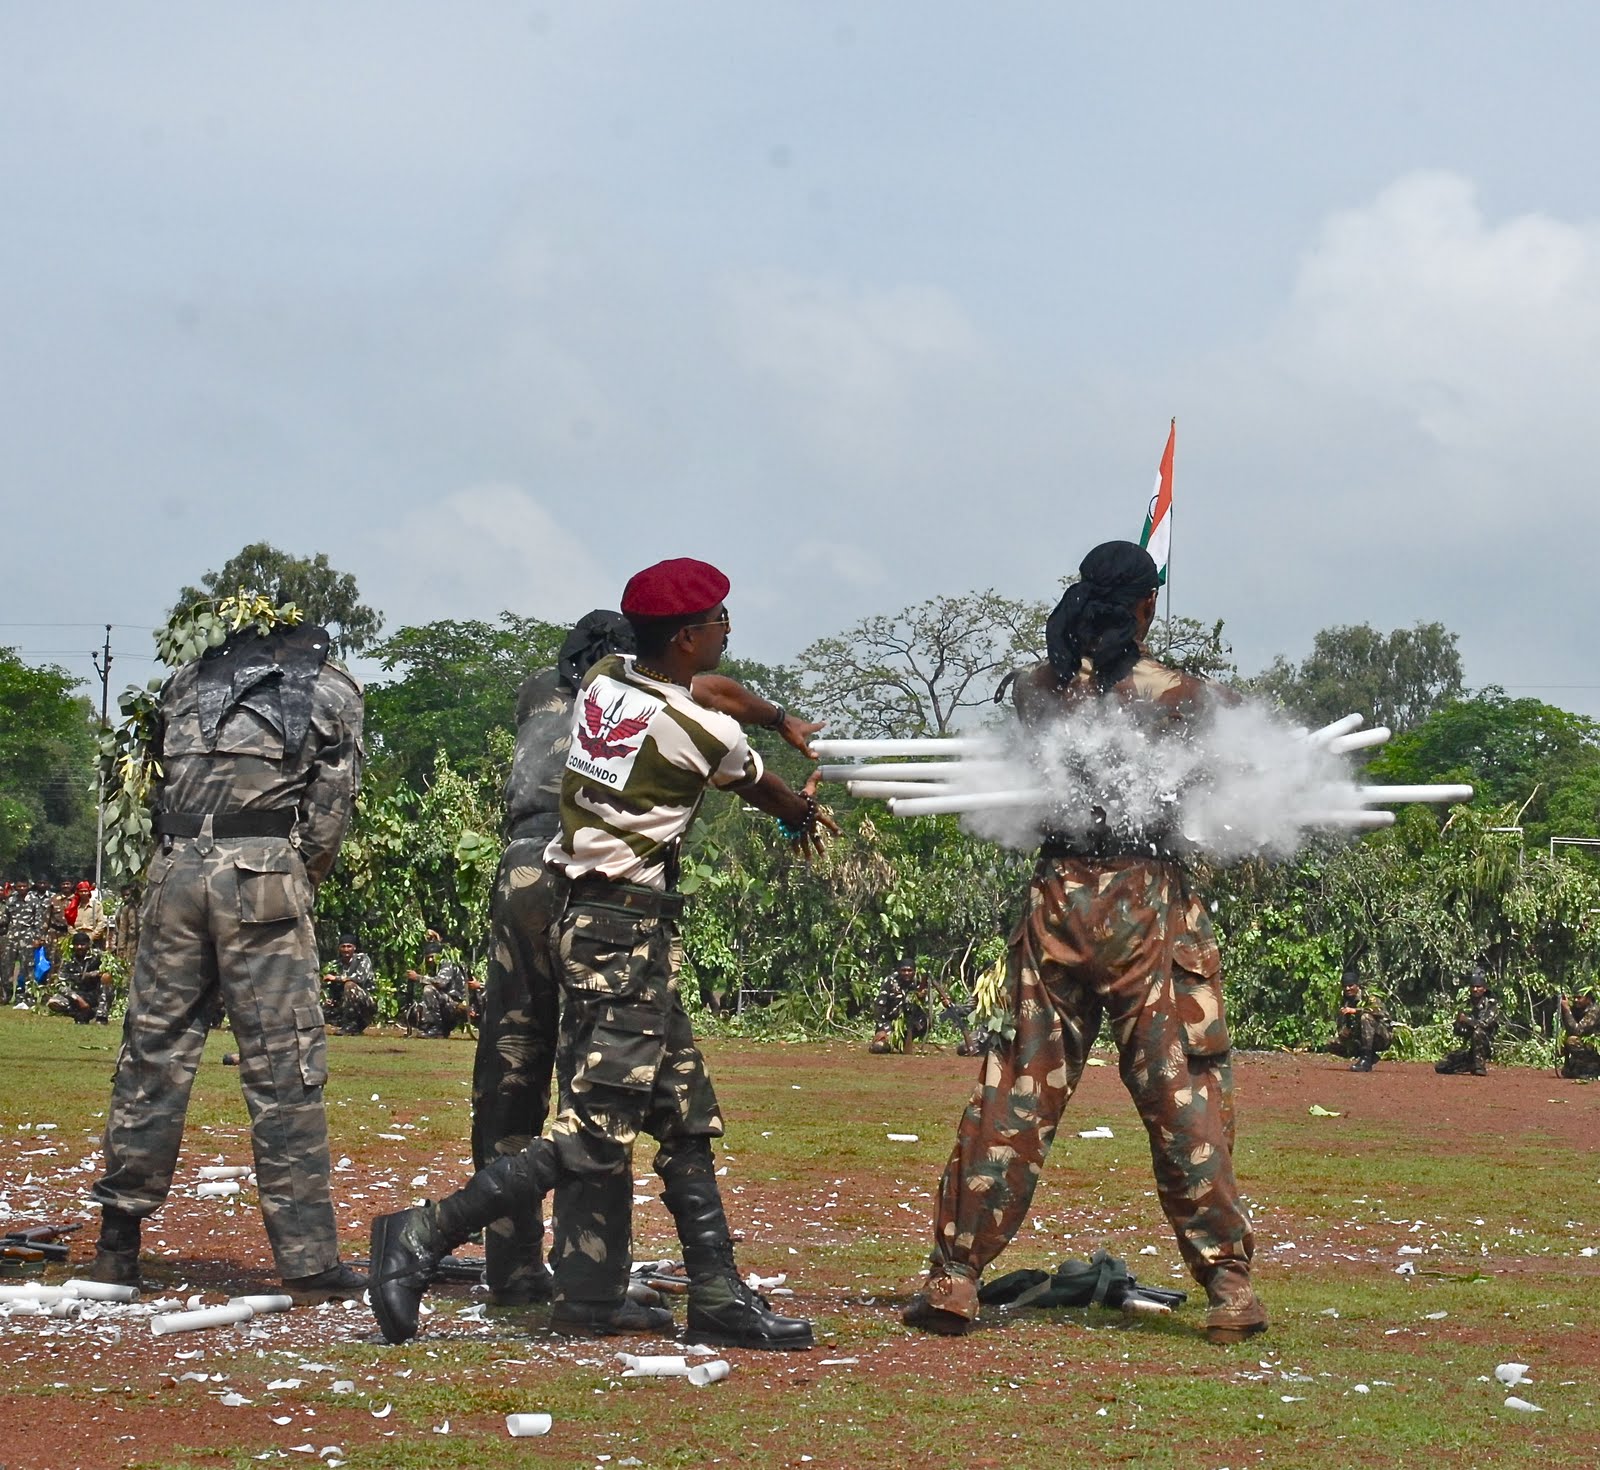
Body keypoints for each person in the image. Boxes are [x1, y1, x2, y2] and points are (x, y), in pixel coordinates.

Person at [370, 557, 834, 1349]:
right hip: (621, 931)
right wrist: (802, 810)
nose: (728, 633)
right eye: (721, 623)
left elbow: (713, 692)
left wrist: (778, 718)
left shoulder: (611, 678)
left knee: (683, 1112)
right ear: (689, 638)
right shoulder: (699, 734)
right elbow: (765, 789)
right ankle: (422, 1231)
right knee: (594, 1131)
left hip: (601, 918)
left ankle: (718, 1294)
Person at [902, 541, 1266, 1347]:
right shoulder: (1187, 697)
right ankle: (1229, 1287)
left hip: (1058, 898)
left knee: (1016, 1086)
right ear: (1144, 608)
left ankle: (955, 1277)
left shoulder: (1037, 692)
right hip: (1150, 901)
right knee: (1182, 1091)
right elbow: (1220, 787)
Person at [470, 609, 825, 1308]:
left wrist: (772, 715)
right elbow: (713, 700)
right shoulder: (649, 696)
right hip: (597, 887)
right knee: (601, 1084)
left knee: (511, 1066)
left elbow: (710, 687)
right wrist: (791, 778)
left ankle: (510, 1270)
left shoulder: (553, 687)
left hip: (520, 868)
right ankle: (588, 1279)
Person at [86, 614, 367, 1302]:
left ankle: (117, 1245)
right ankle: (307, 1261)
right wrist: (294, 871)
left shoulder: (184, 683)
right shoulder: (330, 691)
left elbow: (153, 790)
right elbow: (330, 807)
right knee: (283, 1062)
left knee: (152, 1052)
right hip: (263, 872)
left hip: (174, 871)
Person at [1435, 969, 1499, 1076]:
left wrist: (1467, 1020)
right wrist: (1459, 1024)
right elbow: (1459, 1032)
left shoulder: (1491, 1005)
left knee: (1478, 1032)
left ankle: (1479, 1066)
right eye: (1473, 987)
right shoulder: (1466, 1005)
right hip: (1470, 1049)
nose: (1475, 989)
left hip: (1487, 1047)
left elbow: (1485, 1025)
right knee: (1442, 1066)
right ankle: (1471, 1064)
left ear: (1484, 989)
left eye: (1478, 987)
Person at [1329, 969, 1394, 1072]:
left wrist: (1355, 1010)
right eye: (1345, 986)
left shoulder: (1369, 996)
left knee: (1366, 1017)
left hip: (1381, 1036)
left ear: (1357, 985)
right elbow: (1342, 1021)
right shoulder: (1345, 1001)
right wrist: (1344, 1030)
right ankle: (1370, 1056)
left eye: (1350, 986)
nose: (1347, 989)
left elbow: (1379, 1011)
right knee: (1332, 1044)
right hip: (1360, 1036)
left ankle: (1366, 1060)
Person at [404, 940, 472, 1037]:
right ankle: (433, 1028)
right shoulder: (432, 968)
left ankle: (437, 1028)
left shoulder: (447, 963)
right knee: (415, 1010)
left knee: (429, 989)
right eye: (428, 958)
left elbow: (441, 983)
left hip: (456, 1006)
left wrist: (418, 978)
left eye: (433, 957)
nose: (430, 960)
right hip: (445, 1005)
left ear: (439, 956)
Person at [46, 931, 109, 1024]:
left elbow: (109, 971)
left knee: (106, 980)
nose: (79, 947)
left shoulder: (98, 956)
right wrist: (77, 998)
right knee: (54, 1002)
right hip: (77, 993)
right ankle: (81, 1013)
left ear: (88, 945)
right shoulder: (68, 958)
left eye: (82, 944)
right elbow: (60, 983)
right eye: (77, 945)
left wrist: (92, 974)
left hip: (94, 993)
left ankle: (101, 1016)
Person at [322, 934, 377, 1035]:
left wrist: (336, 978)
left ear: (354, 947)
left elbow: (359, 979)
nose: (346, 949)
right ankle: (351, 1026)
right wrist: (330, 999)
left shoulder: (362, 959)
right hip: (345, 1003)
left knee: (350, 985)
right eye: (343, 946)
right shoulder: (336, 965)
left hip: (366, 1002)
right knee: (321, 1010)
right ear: (339, 948)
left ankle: (350, 1026)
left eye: (349, 946)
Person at [1557, 991, 1599, 1080]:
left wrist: (1567, 1010)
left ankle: (1591, 1069)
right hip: (1587, 1046)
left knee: (1572, 1041)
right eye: (1575, 997)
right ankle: (1575, 1067)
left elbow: (1577, 1031)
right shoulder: (1578, 1010)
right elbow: (1568, 1027)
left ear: (1588, 999)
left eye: (1579, 998)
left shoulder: (1595, 1011)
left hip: (1596, 1048)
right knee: (1562, 1044)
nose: (1576, 1000)